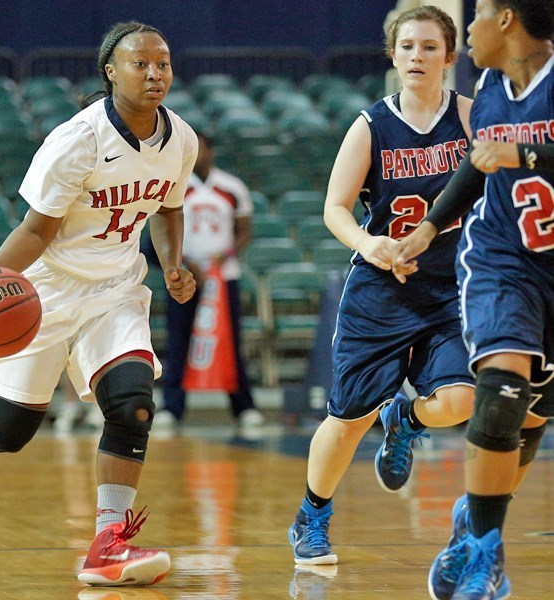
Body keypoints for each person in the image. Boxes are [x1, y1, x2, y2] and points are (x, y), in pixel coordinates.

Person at [0, 21, 198, 586]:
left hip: (115, 289)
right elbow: (35, 231)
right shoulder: (77, 141)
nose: (155, 73)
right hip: (46, 291)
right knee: (8, 430)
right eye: (141, 64)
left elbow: (169, 206)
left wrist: (174, 263)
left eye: (163, 63)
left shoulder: (180, 138)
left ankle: (108, 543)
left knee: (132, 403)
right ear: (111, 71)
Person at [288, 6, 477, 567]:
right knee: (348, 419)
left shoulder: (470, 118)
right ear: (392, 55)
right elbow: (335, 208)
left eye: (429, 47)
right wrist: (368, 244)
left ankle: (408, 419)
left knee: (460, 400)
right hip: (382, 290)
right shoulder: (371, 124)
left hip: (448, 286)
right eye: (408, 47)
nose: (417, 56)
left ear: (450, 56)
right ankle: (312, 515)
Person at [392, 1, 554, 597]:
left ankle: (476, 516)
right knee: (501, 388)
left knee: (533, 414)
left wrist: (526, 155)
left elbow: (509, 155)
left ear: (507, 20)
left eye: (480, 11)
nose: (472, 25)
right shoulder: (488, 85)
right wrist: (430, 226)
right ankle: (486, 554)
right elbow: (476, 165)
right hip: (501, 258)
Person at [152, 131, 264, 431]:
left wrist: (223, 255)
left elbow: (244, 231)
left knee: (230, 340)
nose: (196, 154)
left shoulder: (232, 187)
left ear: (211, 151)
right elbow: (163, 230)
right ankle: (172, 408)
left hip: (222, 277)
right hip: (182, 276)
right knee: (178, 342)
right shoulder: (176, 187)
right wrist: (185, 263)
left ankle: (244, 407)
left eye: (200, 148)